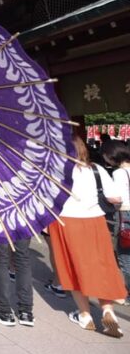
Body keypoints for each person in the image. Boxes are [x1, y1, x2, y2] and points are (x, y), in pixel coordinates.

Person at [48, 136, 125, 338]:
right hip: (95, 221)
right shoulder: (97, 170)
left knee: (72, 266)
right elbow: (115, 198)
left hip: (65, 222)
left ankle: (85, 315)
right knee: (100, 264)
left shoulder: (55, 171)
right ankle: (108, 310)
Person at [0, 237, 35, 326]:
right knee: (22, 258)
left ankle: (4, 310)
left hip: (2, 224)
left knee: (1, 258)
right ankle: (26, 312)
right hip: (23, 223)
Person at [102, 139, 130, 298]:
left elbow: (116, 198)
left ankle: (128, 292)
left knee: (125, 255)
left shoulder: (118, 173)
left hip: (125, 215)